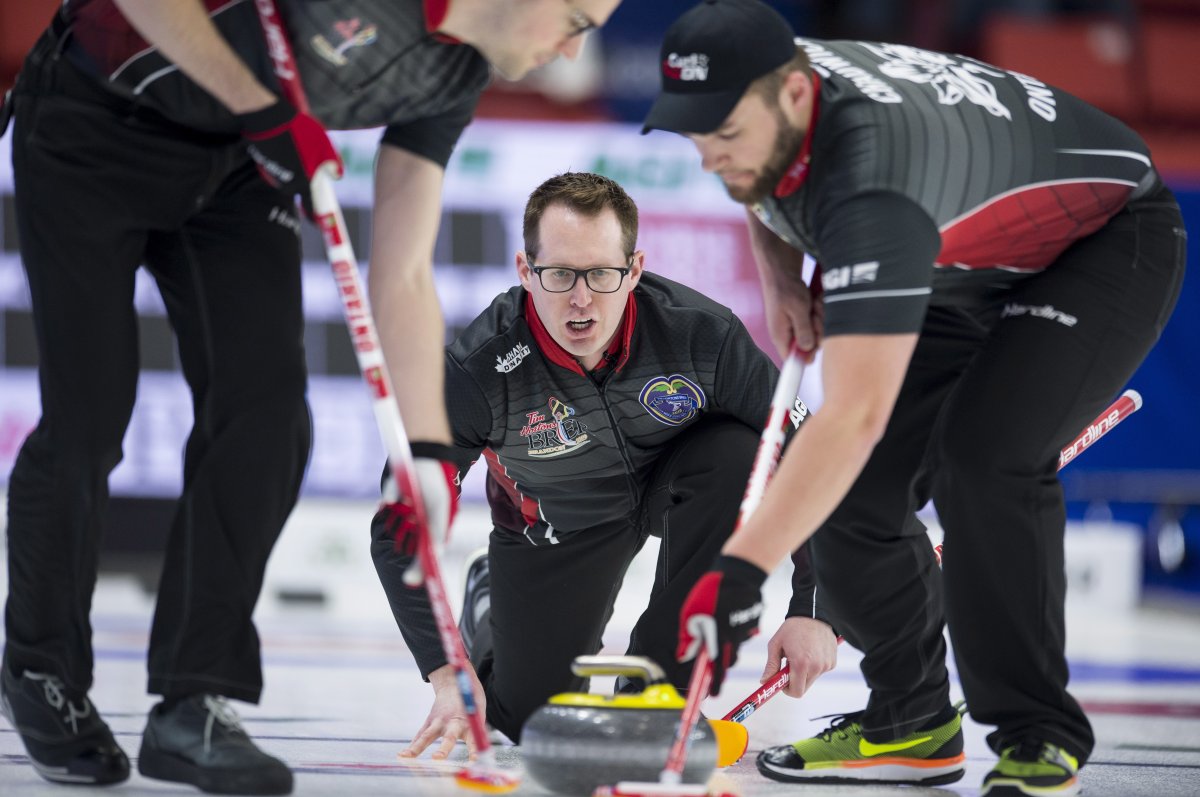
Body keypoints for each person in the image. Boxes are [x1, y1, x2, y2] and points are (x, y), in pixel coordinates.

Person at [0, 1, 625, 794]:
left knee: (268, 416)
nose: (571, 51)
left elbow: (403, 270)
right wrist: (260, 105)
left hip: (236, 158)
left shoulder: (452, 74)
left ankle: (193, 701)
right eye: (574, 20)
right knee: (89, 415)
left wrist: (426, 452)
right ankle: (40, 668)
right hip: (93, 119)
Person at [642, 1, 1186, 796]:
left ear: (793, 95)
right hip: (962, 250)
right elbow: (756, 178)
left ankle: (1038, 732)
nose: (711, 160)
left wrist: (741, 571)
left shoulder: (873, 182)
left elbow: (854, 417)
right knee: (850, 495)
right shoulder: (766, 82)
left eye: (723, 134)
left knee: (985, 458)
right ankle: (911, 720)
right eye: (697, 139)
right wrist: (779, 275)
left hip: (1099, 239)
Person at [369, 171, 838, 757]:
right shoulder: (475, 373)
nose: (581, 299)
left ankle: (658, 693)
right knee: (528, 719)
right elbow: (397, 531)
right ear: (525, 271)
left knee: (743, 455)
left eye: (601, 273)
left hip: (679, 484)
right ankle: (488, 600)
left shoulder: (704, 335)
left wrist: (816, 610)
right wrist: (447, 674)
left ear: (634, 270)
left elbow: (810, 455)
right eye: (560, 274)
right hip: (559, 523)